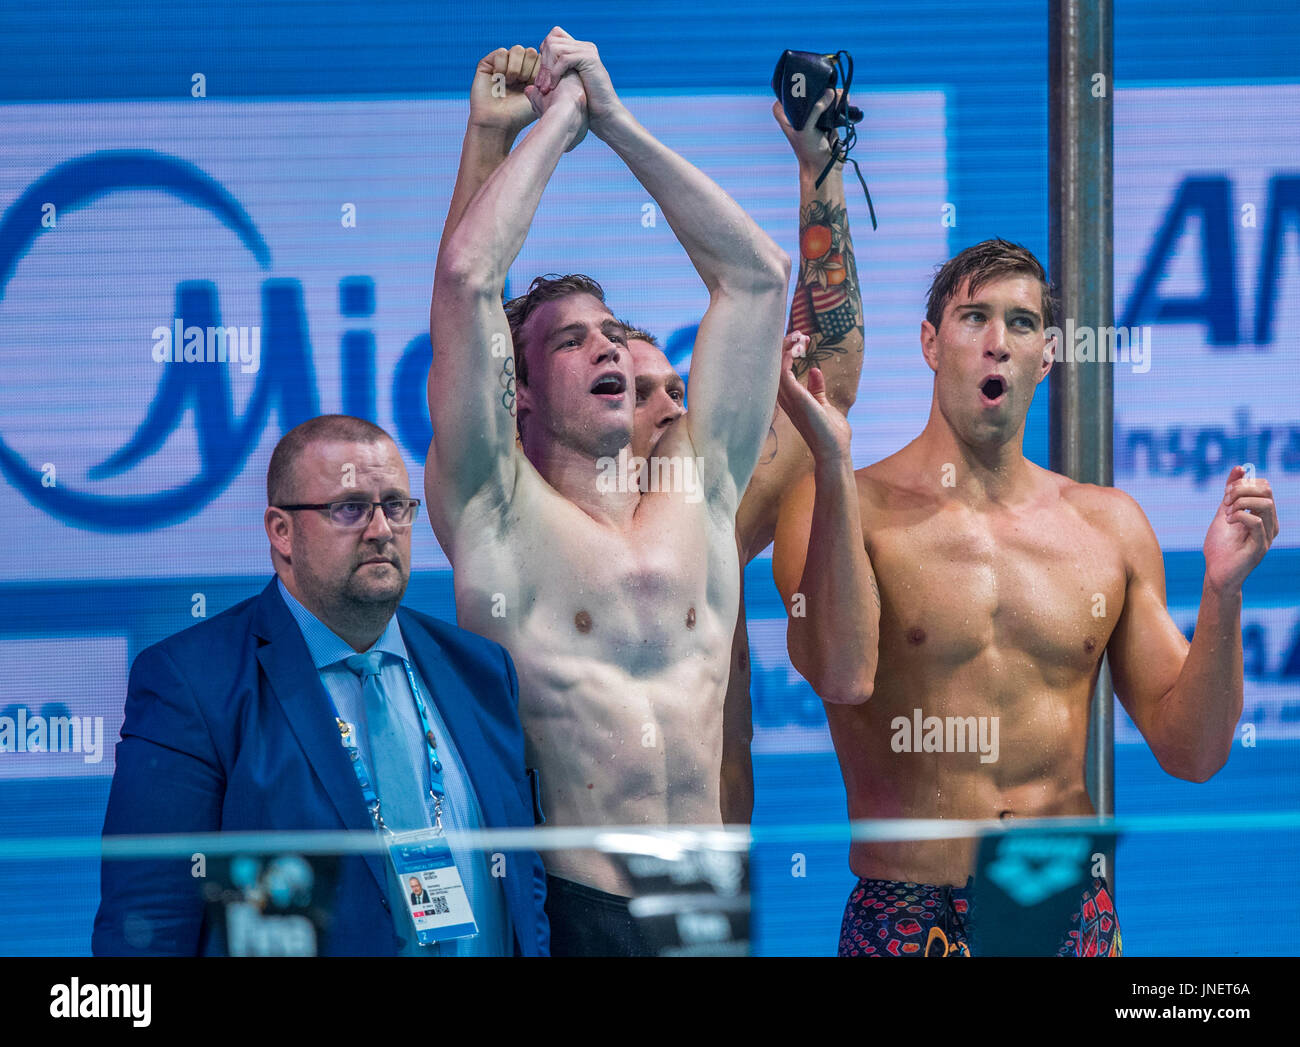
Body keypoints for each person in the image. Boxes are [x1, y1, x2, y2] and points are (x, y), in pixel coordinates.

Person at [772, 239, 1280, 957]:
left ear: (1047, 355)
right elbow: (842, 673)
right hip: (911, 911)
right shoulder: (842, 503)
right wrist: (829, 458)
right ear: (929, 342)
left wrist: (1223, 593)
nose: (996, 343)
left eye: (1020, 323)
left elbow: (1192, 750)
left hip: (1063, 908)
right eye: (973, 317)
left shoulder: (1109, 526)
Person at [427, 29, 789, 955]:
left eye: (615, 332)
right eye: (570, 340)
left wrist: (617, 120)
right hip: (577, 907)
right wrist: (546, 127)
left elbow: (755, 277)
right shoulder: (494, 509)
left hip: (704, 901)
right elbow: (469, 282)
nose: (610, 351)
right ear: (519, 394)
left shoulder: (699, 484)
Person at [93, 415, 548, 957]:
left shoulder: (480, 670)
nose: (381, 530)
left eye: (396, 506)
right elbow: (147, 928)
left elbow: (526, 887)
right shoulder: (190, 682)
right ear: (281, 532)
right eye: (350, 508)